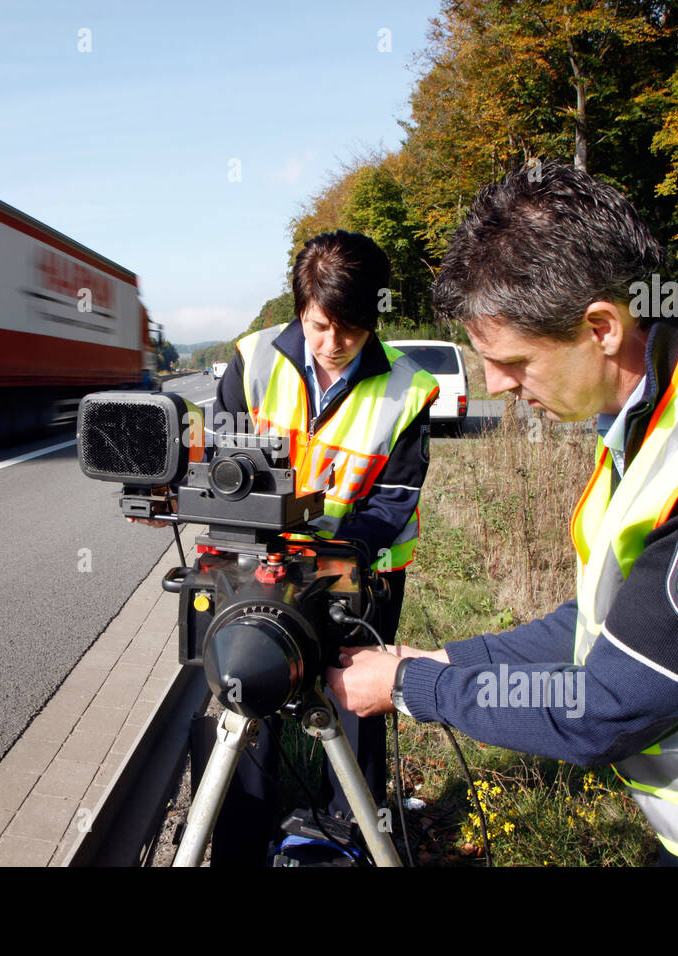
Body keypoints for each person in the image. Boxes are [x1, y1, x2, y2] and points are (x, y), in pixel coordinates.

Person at [327, 161, 678, 867]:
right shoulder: (665, 404)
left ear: (600, 327)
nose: (497, 386)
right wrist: (445, 660)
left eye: (514, 362)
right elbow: (603, 628)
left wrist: (415, 685)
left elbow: (608, 703)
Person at [203, 229, 440, 864]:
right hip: (261, 562)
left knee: (355, 697)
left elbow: (393, 498)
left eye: (352, 329)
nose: (334, 345)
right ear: (299, 309)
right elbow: (221, 463)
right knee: (247, 692)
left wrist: (339, 553)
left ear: (374, 318)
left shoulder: (410, 389)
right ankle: (241, 844)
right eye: (319, 326)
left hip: (363, 570)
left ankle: (354, 834)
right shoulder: (252, 361)